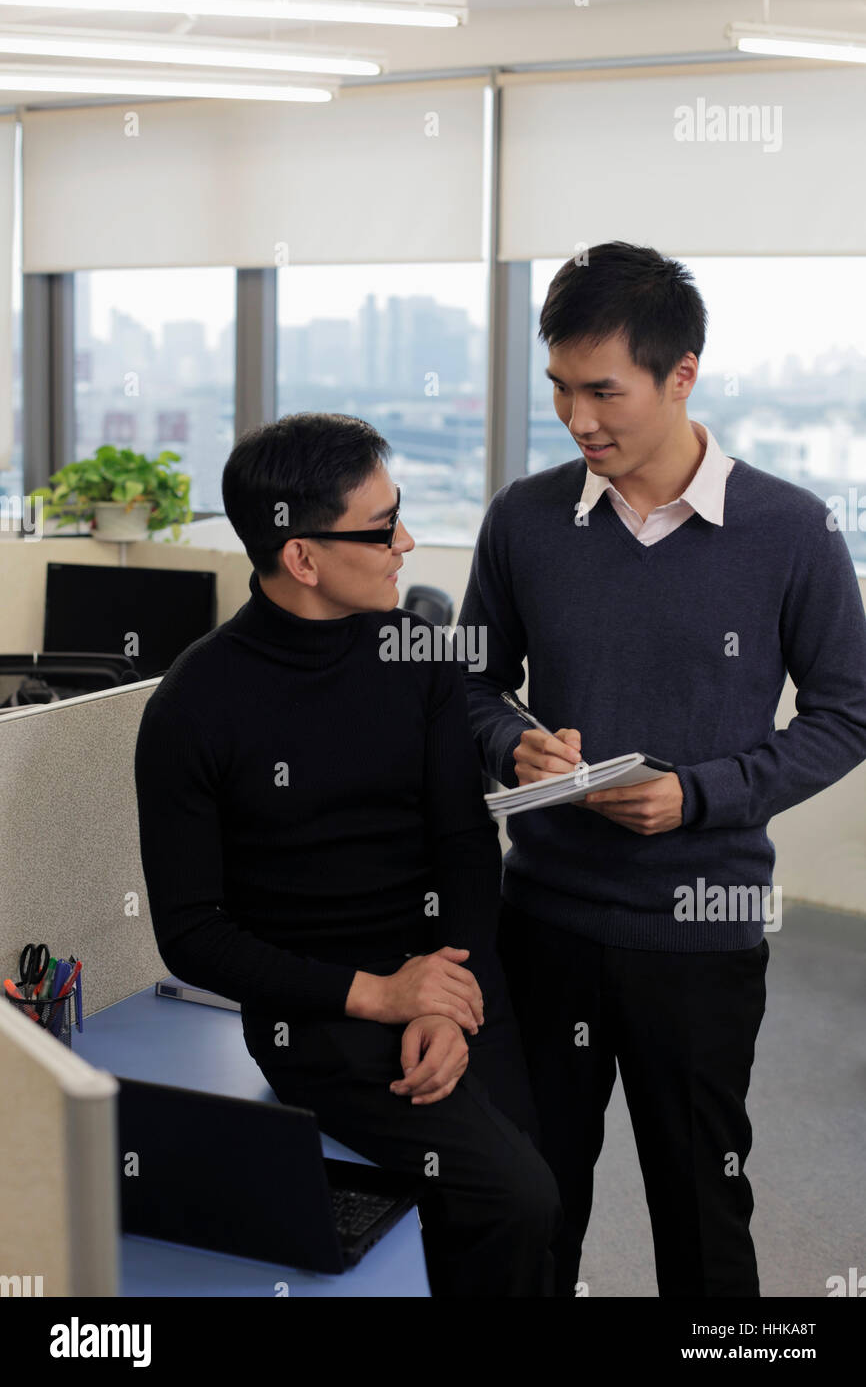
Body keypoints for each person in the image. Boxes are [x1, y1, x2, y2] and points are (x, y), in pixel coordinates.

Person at [457, 241, 866, 1298]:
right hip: (541, 923)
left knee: (699, 1207)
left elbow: (847, 712)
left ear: (680, 374)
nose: (577, 418)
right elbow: (464, 684)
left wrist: (701, 792)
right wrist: (512, 739)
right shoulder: (523, 518)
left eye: (603, 391)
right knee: (531, 1201)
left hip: (699, 928)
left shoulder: (789, 530)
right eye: (558, 388)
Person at [134, 411, 561, 1298]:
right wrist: (382, 995)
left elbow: (463, 845)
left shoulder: (420, 658)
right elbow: (189, 933)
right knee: (513, 1195)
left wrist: (447, 994)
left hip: (450, 970)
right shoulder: (193, 705)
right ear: (301, 557)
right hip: (316, 1008)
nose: (405, 543)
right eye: (381, 528)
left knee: (544, 1179)